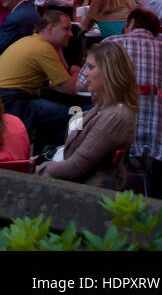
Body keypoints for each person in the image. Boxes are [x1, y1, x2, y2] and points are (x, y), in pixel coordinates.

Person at [106, 7, 162, 194]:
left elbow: (84, 84)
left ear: (131, 24)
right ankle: (155, 189)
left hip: (112, 131)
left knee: (77, 113)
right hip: (157, 136)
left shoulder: (110, 44)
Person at [37, 42, 138, 187]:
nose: (84, 73)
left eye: (91, 67)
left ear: (109, 72)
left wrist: (37, 169)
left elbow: (76, 166)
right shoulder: (106, 107)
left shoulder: (115, 116)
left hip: (84, 191)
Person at [0, 8, 82, 149]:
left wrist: (58, 49)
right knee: (73, 115)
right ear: (50, 28)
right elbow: (70, 88)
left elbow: (61, 76)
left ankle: (41, 151)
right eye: (66, 29)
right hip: (12, 102)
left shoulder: (31, 40)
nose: (70, 34)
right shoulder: (44, 49)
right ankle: (53, 155)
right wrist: (76, 71)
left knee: (51, 112)